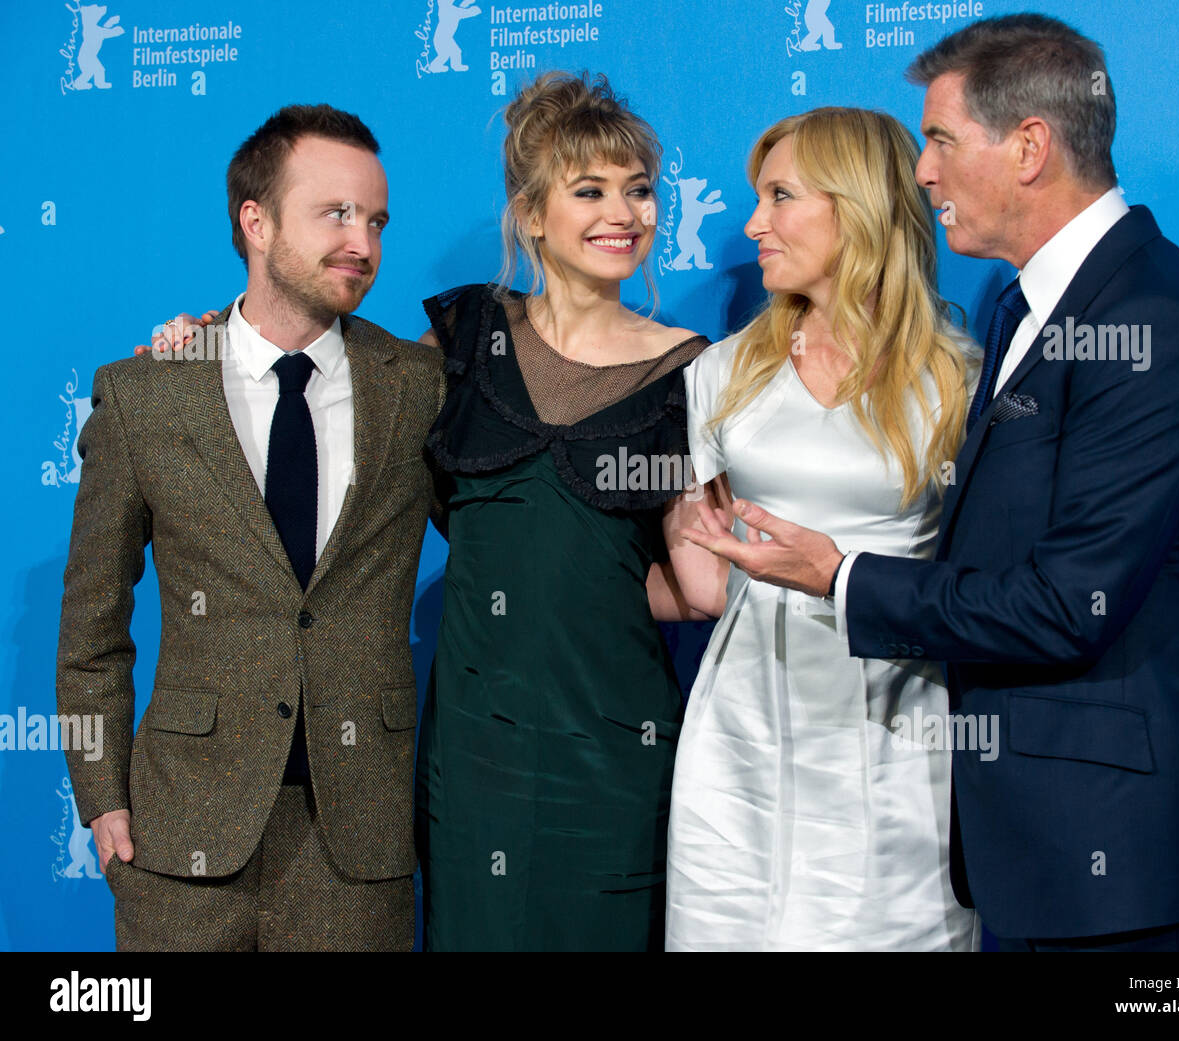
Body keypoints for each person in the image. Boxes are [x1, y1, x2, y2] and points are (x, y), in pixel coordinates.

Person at [682, 14, 1179, 952]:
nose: (922, 171)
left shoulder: (1154, 321)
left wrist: (838, 574)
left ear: (1029, 147)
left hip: (1127, 866)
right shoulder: (1023, 309)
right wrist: (1177, 603)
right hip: (1031, 846)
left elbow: (1067, 603)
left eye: (942, 140)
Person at [56, 104, 445, 951]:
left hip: (358, 843)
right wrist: (101, 792)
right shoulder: (148, 392)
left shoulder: (418, 387)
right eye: (335, 213)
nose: (364, 243)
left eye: (376, 220)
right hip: (179, 838)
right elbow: (91, 622)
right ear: (256, 221)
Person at [663, 107, 981, 951]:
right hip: (742, 733)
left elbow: (1004, 573)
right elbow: (703, 576)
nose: (752, 223)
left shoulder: (961, 381)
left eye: (780, 196)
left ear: (859, 207)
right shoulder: (719, 375)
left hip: (896, 732)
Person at [414, 71, 714, 951]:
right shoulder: (465, 338)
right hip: (475, 759)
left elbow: (698, 587)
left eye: (639, 189)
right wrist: (208, 334)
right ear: (532, 214)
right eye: (589, 190)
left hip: (614, 749)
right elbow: (332, 392)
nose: (624, 212)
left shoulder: (693, 370)